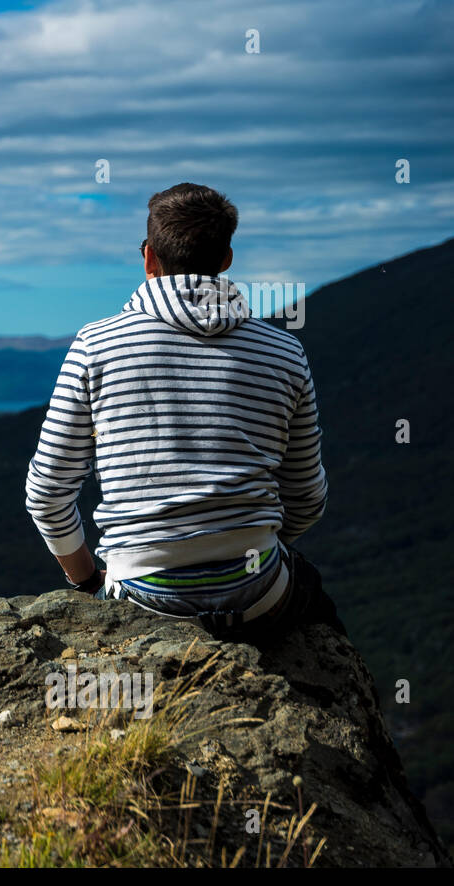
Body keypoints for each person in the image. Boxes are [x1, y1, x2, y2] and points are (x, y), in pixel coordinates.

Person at [23, 183, 344, 642]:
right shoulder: (285, 351)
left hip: (140, 598)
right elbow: (307, 498)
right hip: (260, 594)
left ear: (149, 257)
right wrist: (243, 541)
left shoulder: (96, 346)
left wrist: (88, 582)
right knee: (318, 608)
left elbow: (47, 497)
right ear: (227, 258)